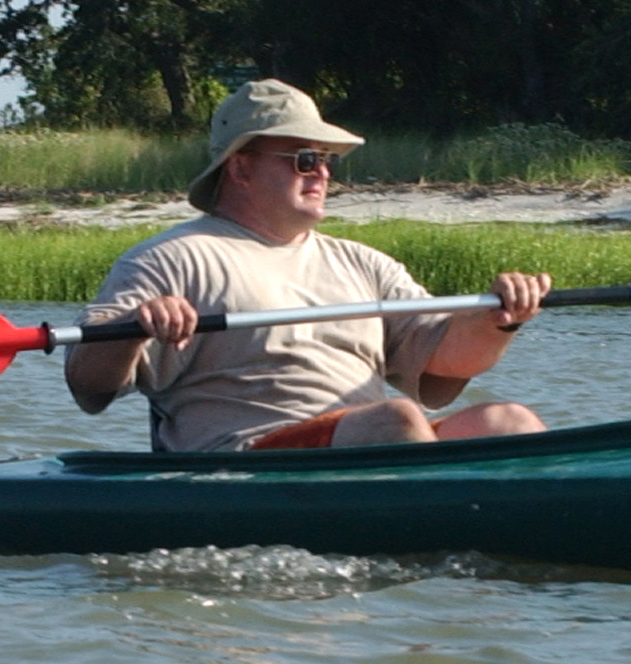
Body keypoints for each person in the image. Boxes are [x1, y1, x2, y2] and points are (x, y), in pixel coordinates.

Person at [65, 79, 551, 452]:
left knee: (507, 422)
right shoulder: (171, 258)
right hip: (244, 460)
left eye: (326, 160)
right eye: (303, 159)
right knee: (396, 420)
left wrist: (499, 321)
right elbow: (88, 385)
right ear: (240, 167)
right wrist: (135, 326)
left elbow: (445, 360)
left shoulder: (363, 263)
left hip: (366, 446)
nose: (321, 173)